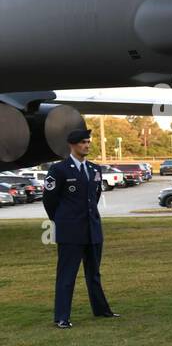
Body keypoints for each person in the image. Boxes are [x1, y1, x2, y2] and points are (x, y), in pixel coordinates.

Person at [43, 127, 118, 328]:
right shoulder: (59, 170)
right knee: (67, 276)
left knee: (94, 274)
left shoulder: (94, 169)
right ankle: (62, 317)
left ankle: (101, 310)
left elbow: (94, 197)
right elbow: (49, 200)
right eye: (82, 142)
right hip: (70, 232)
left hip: (93, 229)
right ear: (72, 145)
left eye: (88, 142)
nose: (86, 145)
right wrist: (62, 221)